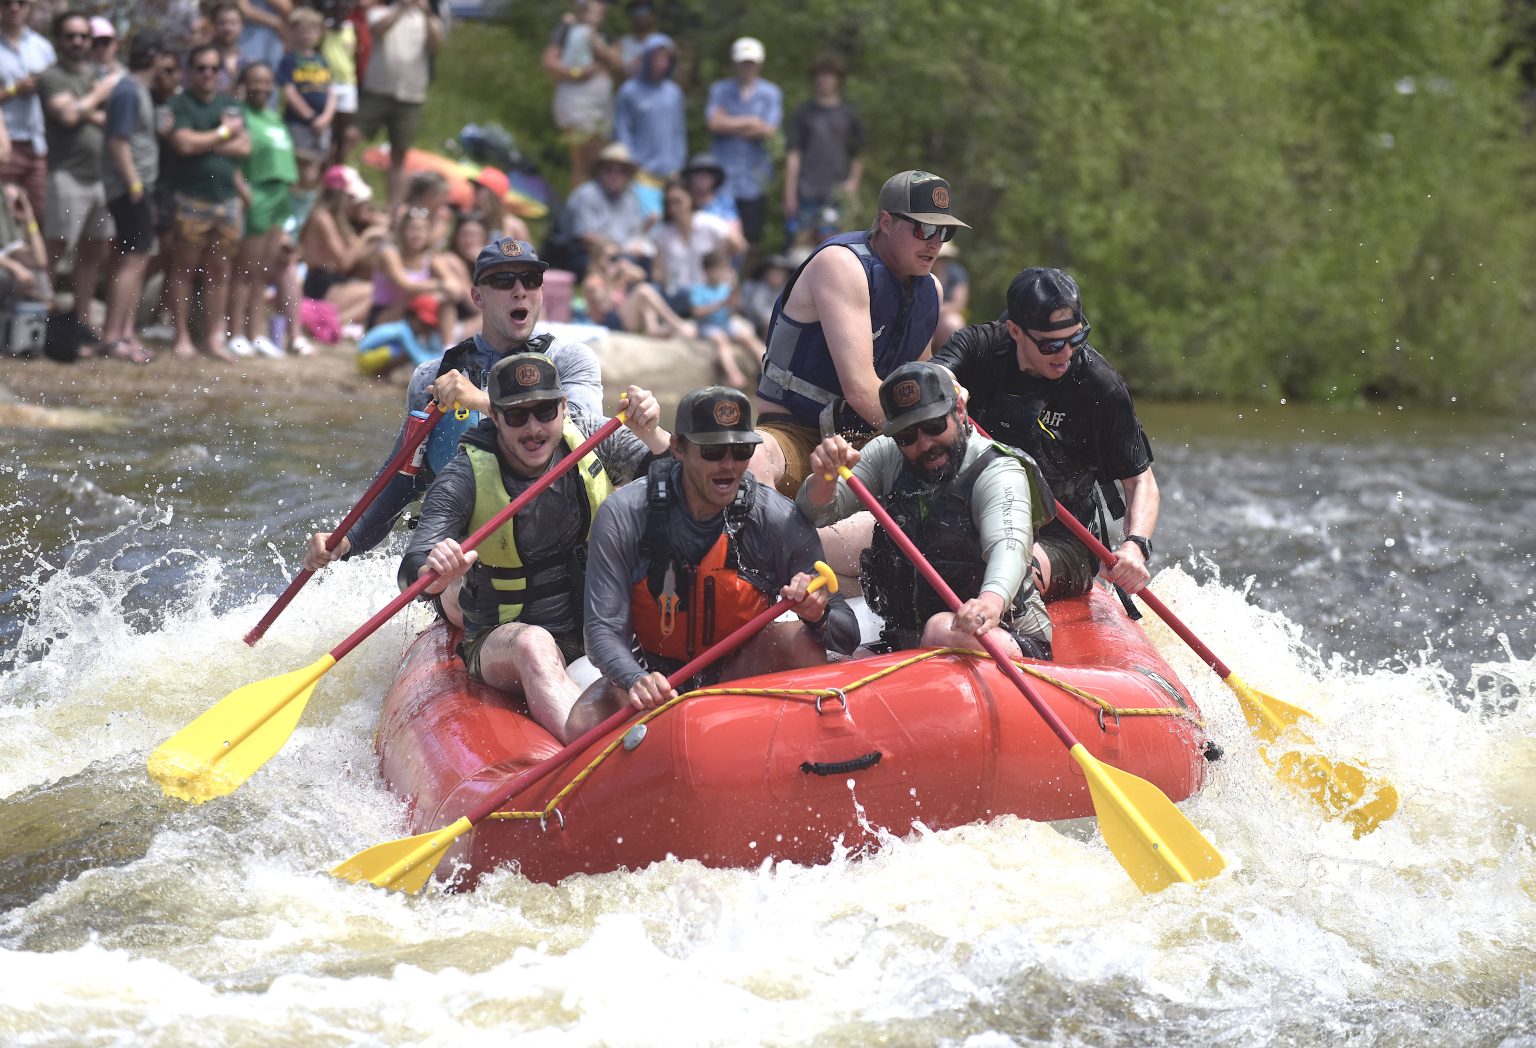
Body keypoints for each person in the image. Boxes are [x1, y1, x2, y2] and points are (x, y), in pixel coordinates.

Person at [402, 353, 671, 743]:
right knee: (533, 645)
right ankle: (586, 752)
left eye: (545, 412)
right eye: (516, 416)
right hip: (507, 634)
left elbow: (684, 483)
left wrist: (653, 434)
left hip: (599, 622)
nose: (533, 429)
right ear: (494, 416)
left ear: (563, 407)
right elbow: (413, 566)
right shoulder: (465, 476)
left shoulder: (594, 437)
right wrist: (436, 572)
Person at [567, 386, 860, 737]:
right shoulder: (625, 514)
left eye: (740, 451)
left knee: (798, 643)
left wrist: (818, 614)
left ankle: (808, 747)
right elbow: (602, 630)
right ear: (678, 448)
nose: (728, 465)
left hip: (738, 670)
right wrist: (635, 679)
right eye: (713, 451)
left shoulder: (774, 518)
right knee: (582, 725)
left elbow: (847, 634)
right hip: (653, 674)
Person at [302, 237, 605, 574]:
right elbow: (401, 481)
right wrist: (346, 539)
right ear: (477, 297)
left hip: (561, 553)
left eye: (530, 280)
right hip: (471, 566)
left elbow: (588, 440)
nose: (520, 291)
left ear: (541, 292)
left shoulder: (569, 361)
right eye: (503, 281)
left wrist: (481, 401)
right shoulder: (433, 377)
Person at [931, 267, 1160, 599]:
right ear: (1015, 331)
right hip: (970, 515)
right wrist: (943, 388)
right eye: (1051, 345)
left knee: (1006, 570)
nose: (1066, 353)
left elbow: (1140, 481)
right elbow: (929, 377)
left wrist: (1135, 545)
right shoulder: (979, 346)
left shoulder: (1101, 387)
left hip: (1061, 540)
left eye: (1076, 338)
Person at [799, 361, 1053, 659]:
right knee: (826, 656)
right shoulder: (887, 455)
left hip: (1004, 637)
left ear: (959, 411)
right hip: (909, 641)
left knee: (940, 629)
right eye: (907, 436)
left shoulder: (998, 472)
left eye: (934, 426)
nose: (924, 444)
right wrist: (825, 477)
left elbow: (1008, 547)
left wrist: (990, 602)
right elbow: (816, 514)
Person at [752, 169, 968, 496]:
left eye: (944, 232)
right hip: (797, 435)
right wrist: (926, 439)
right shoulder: (840, 265)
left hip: (873, 441)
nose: (935, 242)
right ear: (886, 222)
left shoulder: (931, 291)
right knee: (755, 459)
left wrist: (951, 430)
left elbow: (917, 381)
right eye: (924, 228)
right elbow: (861, 390)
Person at [38, 9, 120, 355]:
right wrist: (98, 95)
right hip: (66, 175)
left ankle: (83, 324)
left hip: (102, 177)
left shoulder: (98, 76)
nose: (77, 42)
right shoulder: (52, 76)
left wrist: (86, 106)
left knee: (92, 252)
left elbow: (110, 119)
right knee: (54, 250)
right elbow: (68, 115)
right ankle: (40, 321)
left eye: (83, 36)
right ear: (59, 40)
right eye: (70, 36)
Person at [164, 42, 250, 360]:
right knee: (183, 267)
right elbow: (183, 145)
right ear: (190, 71)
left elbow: (245, 147)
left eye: (214, 68)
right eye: (201, 68)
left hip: (227, 200)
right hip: (191, 197)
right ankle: (182, 336)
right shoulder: (180, 103)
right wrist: (224, 133)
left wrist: (207, 140)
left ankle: (214, 337)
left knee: (219, 269)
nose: (208, 74)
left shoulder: (230, 105)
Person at [100, 30, 164, 364]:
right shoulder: (127, 90)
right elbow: (117, 141)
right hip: (130, 188)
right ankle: (113, 337)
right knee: (132, 260)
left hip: (138, 187)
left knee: (138, 260)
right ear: (157, 59)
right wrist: (135, 185)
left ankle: (126, 333)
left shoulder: (137, 90)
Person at [227, 61, 296, 357]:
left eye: (267, 82)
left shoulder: (274, 117)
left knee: (263, 272)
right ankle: (235, 332)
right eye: (255, 81)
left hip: (280, 195)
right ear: (244, 84)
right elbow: (229, 159)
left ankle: (255, 333)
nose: (262, 88)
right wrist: (245, 193)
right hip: (257, 192)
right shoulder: (239, 115)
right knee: (245, 268)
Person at [355, 0, 442, 211]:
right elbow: (378, 30)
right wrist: (401, 8)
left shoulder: (429, 20)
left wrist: (427, 14)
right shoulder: (380, 12)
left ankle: (393, 208)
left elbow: (435, 45)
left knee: (400, 154)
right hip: (377, 90)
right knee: (352, 135)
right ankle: (341, 185)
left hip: (411, 96)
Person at [704, 36, 780, 249]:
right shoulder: (719, 90)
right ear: (735, 63)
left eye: (751, 63)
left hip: (755, 178)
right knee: (721, 234)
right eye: (743, 62)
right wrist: (751, 121)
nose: (747, 67)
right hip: (723, 177)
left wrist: (729, 122)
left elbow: (768, 130)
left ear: (759, 64)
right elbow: (713, 123)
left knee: (752, 237)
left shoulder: (770, 93)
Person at [783, 53, 863, 248]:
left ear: (838, 79)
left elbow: (858, 153)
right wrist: (789, 193)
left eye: (829, 75)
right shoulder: (803, 113)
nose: (824, 80)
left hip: (836, 192)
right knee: (800, 247)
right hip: (806, 191)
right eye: (820, 75)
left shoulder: (848, 114)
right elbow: (793, 154)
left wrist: (853, 183)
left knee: (836, 247)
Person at [297, 162, 385, 326]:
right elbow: (344, 262)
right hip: (320, 284)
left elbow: (357, 256)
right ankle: (335, 324)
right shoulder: (322, 218)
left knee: (378, 287)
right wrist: (367, 236)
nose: (353, 202)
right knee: (375, 292)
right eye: (351, 198)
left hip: (331, 282)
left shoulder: (339, 221)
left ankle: (335, 323)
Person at [543, 0, 616, 187]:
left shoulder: (604, 33)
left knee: (597, 163)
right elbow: (549, 61)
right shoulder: (567, 28)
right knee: (582, 163)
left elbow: (616, 65)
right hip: (577, 105)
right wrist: (577, 73)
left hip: (599, 107)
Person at [0, 0, 57, 224]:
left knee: (41, 216)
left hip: (38, 145)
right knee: (5, 219)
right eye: (7, 3)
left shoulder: (43, 47)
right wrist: (15, 89)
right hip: (5, 145)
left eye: (20, 2)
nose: (14, 8)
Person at [558, 140, 646, 275]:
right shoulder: (587, 194)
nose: (615, 175)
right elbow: (585, 238)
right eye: (609, 169)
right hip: (586, 254)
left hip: (622, 254)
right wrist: (619, 249)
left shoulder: (630, 198)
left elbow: (635, 233)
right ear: (599, 171)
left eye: (622, 171)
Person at [612, 33, 684, 185]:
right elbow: (622, 131)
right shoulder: (629, 91)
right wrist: (630, 162)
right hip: (640, 171)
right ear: (646, 58)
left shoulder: (674, 92)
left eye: (665, 59)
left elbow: (678, 131)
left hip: (670, 171)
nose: (660, 64)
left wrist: (679, 163)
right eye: (656, 58)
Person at [689, 249, 758, 388]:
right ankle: (735, 376)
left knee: (747, 337)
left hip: (725, 324)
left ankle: (766, 368)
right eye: (718, 269)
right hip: (707, 326)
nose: (721, 273)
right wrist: (719, 304)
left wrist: (734, 297)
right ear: (707, 270)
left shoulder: (726, 288)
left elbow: (732, 312)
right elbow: (696, 312)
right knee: (721, 339)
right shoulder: (698, 289)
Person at [278, 7, 334, 156]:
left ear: (320, 32)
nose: (307, 35)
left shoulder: (322, 59)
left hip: (323, 123)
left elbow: (331, 92)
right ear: (293, 32)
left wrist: (325, 118)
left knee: (319, 160)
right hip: (298, 123)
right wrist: (310, 118)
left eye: (312, 30)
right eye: (302, 30)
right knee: (300, 159)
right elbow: (290, 93)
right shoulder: (289, 59)